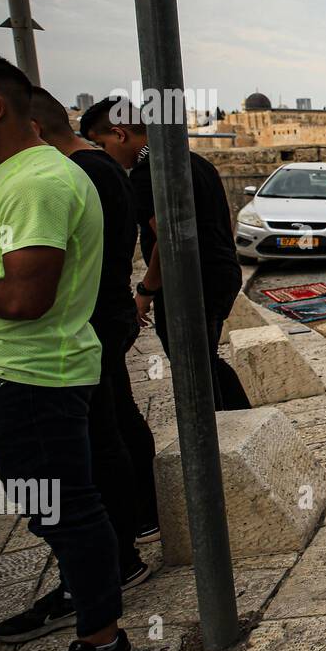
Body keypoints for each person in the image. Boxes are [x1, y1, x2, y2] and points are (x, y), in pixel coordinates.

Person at [0, 50, 138, 651]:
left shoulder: (36, 182)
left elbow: (28, 296)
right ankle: (84, 598)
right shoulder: (16, 177)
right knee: (58, 506)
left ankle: (100, 639)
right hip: (16, 371)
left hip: (27, 372)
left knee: (67, 506)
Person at [20, 89, 152, 589]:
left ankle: (118, 554)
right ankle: (134, 527)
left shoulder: (85, 173)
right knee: (114, 423)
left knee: (102, 436)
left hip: (92, 318)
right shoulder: (106, 171)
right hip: (104, 313)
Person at [81, 98, 250, 418]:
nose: (105, 155)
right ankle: (239, 419)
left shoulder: (147, 174)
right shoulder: (194, 161)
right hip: (220, 275)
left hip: (190, 285)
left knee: (194, 369)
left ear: (119, 134)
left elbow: (170, 240)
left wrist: (145, 292)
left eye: (101, 144)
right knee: (206, 360)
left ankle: (213, 438)